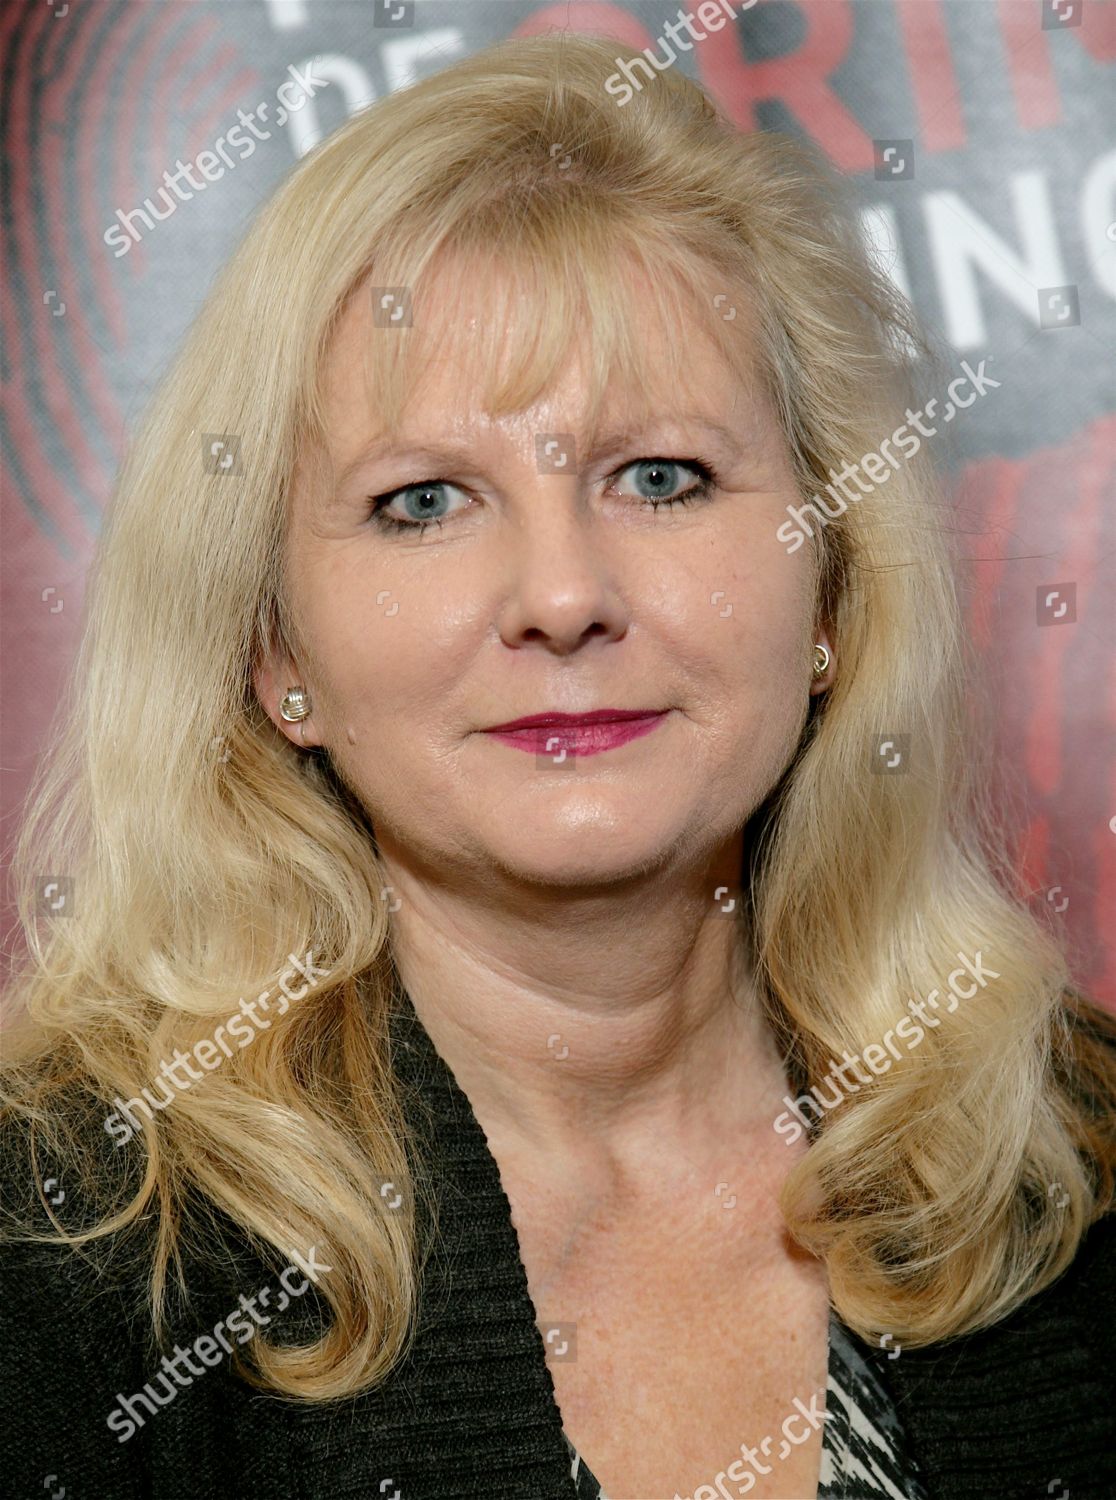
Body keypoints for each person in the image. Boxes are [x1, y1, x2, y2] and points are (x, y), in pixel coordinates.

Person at [2, 31, 1114, 1500]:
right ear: (277, 655)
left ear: (834, 591)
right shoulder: (65, 1251)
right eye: (422, 501)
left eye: (661, 478)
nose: (562, 593)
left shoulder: (1074, 1151)